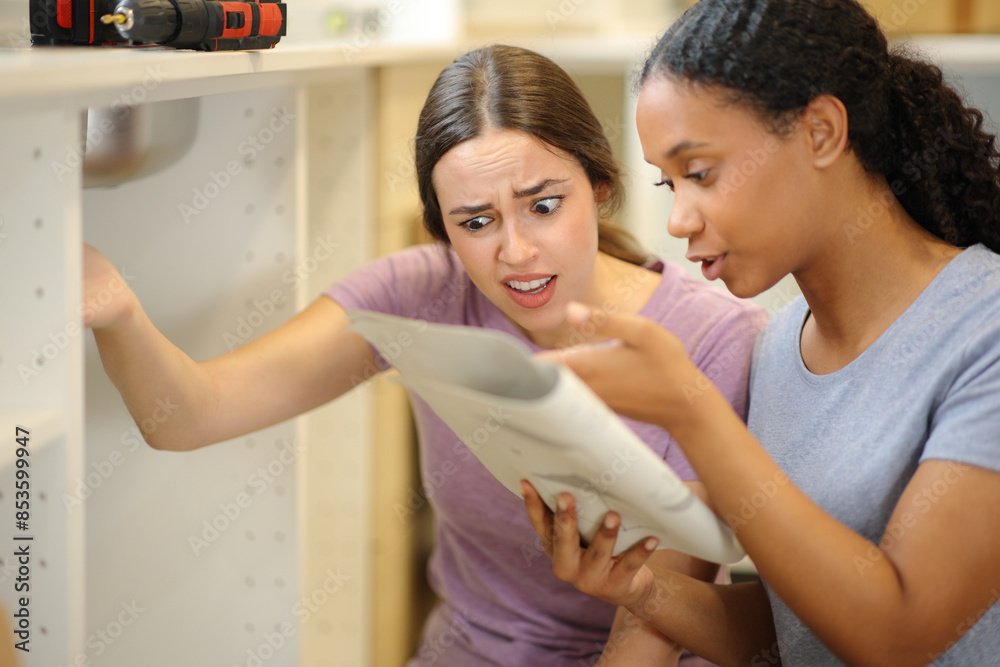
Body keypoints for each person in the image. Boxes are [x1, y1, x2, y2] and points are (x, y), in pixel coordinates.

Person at [84, 45, 765, 665]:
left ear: (601, 186)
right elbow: (187, 415)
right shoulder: (422, 292)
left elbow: (649, 631)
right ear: (442, 230)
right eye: (476, 222)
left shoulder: (715, 338)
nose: (516, 252)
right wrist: (118, 311)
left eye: (545, 205)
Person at [521, 0, 1000, 665]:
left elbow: (898, 634)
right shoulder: (779, 347)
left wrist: (689, 410)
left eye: (701, 173)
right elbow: (794, 626)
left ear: (822, 132)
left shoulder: (987, 329)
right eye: (668, 181)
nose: (679, 219)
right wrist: (640, 586)